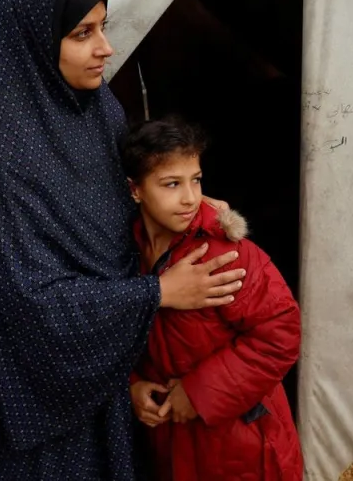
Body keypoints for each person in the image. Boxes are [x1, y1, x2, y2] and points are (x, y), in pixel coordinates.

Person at [0, 0, 246, 480]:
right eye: (83, 34)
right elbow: (27, 306)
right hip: (39, 404)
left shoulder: (97, 110)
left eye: (103, 27)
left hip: (107, 370)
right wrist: (158, 294)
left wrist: (176, 197)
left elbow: (121, 201)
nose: (105, 47)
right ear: (33, 43)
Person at [124, 118, 303, 481]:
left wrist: (199, 393)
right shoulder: (123, 252)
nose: (190, 197)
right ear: (135, 190)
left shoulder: (223, 253)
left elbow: (281, 333)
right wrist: (133, 385)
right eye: (171, 184)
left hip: (241, 444)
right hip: (170, 440)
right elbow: (119, 329)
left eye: (196, 179)